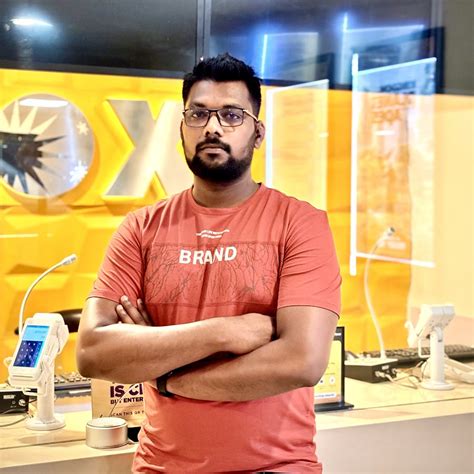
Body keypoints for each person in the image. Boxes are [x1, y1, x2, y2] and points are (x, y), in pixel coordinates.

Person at [77, 53, 341, 473]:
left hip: (276, 466)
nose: (213, 127)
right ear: (182, 129)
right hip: (161, 466)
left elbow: (301, 361)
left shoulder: (300, 223)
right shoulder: (141, 228)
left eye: (232, 115)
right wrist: (226, 332)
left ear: (257, 133)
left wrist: (166, 375)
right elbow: (93, 353)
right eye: (198, 114)